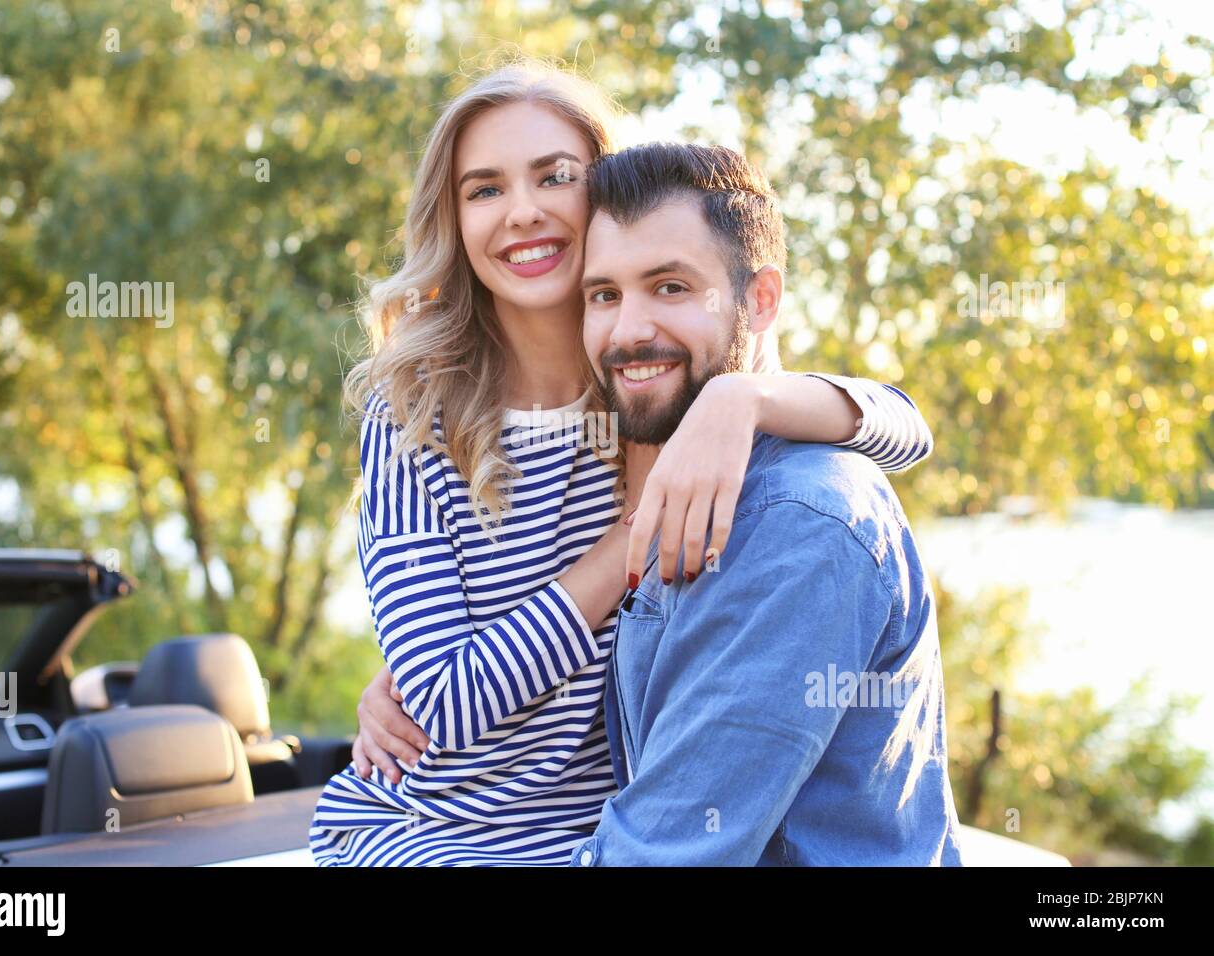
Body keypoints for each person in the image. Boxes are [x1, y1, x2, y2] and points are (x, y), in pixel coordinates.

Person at [310, 58, 936, 867]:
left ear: (601, 195)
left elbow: (903, 430)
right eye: (485, 189)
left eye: (553, 176)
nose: (522, 212)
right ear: (454, 216)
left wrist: (746, 401)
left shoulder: (649, 380)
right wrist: (633, 542)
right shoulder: (414, 417)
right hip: (439, 833)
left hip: (613, 832)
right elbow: (443, 700)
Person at [568, 141, 964, 866]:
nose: (627, 331)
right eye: (604, 295)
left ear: (761, 298)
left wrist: (737, 394)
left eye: (671, 287)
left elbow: (660, 856)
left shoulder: (793, 526)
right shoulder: (697, 475)